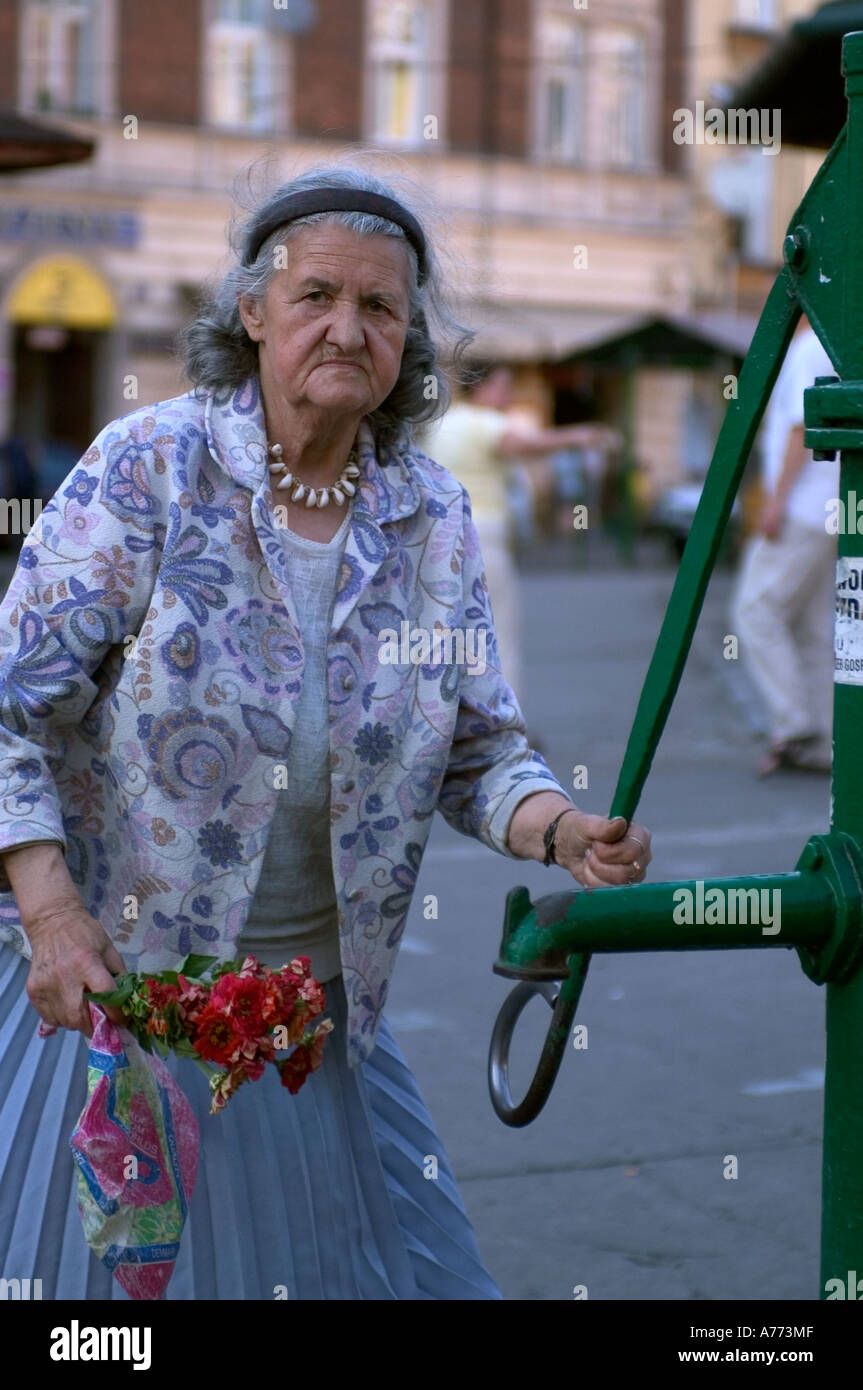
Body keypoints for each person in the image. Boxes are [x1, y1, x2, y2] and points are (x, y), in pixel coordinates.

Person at [0, 164, 651, 1301]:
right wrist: (49, 912)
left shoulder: (429, 514)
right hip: (118, 999)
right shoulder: (150, 468)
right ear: (252, 313)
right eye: (315, 297)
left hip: (306, 1021)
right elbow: (12, 703)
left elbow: (477, 746)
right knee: (111, 1297)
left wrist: (558, 829)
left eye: (381, 307)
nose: (347, 328)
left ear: (409, 340)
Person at [418, 364, 620, 706]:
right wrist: (581, 435)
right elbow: (529, 445)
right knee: (499, 633)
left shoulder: (442, 422)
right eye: (505, 386)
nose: (510, 395)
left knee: (447, 635)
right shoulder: (487, 423)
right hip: (483, 537)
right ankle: (506, 725)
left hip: (437, 537)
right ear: (482, 386)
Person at [731, 316, 837, 776]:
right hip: (831, 507)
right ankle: (826, 738)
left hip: (803, 508)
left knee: (756, 611)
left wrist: (775, 501)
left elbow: (800, 428)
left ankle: (797, 725)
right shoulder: (834, 344)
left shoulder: (810, 346)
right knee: (815, 628)